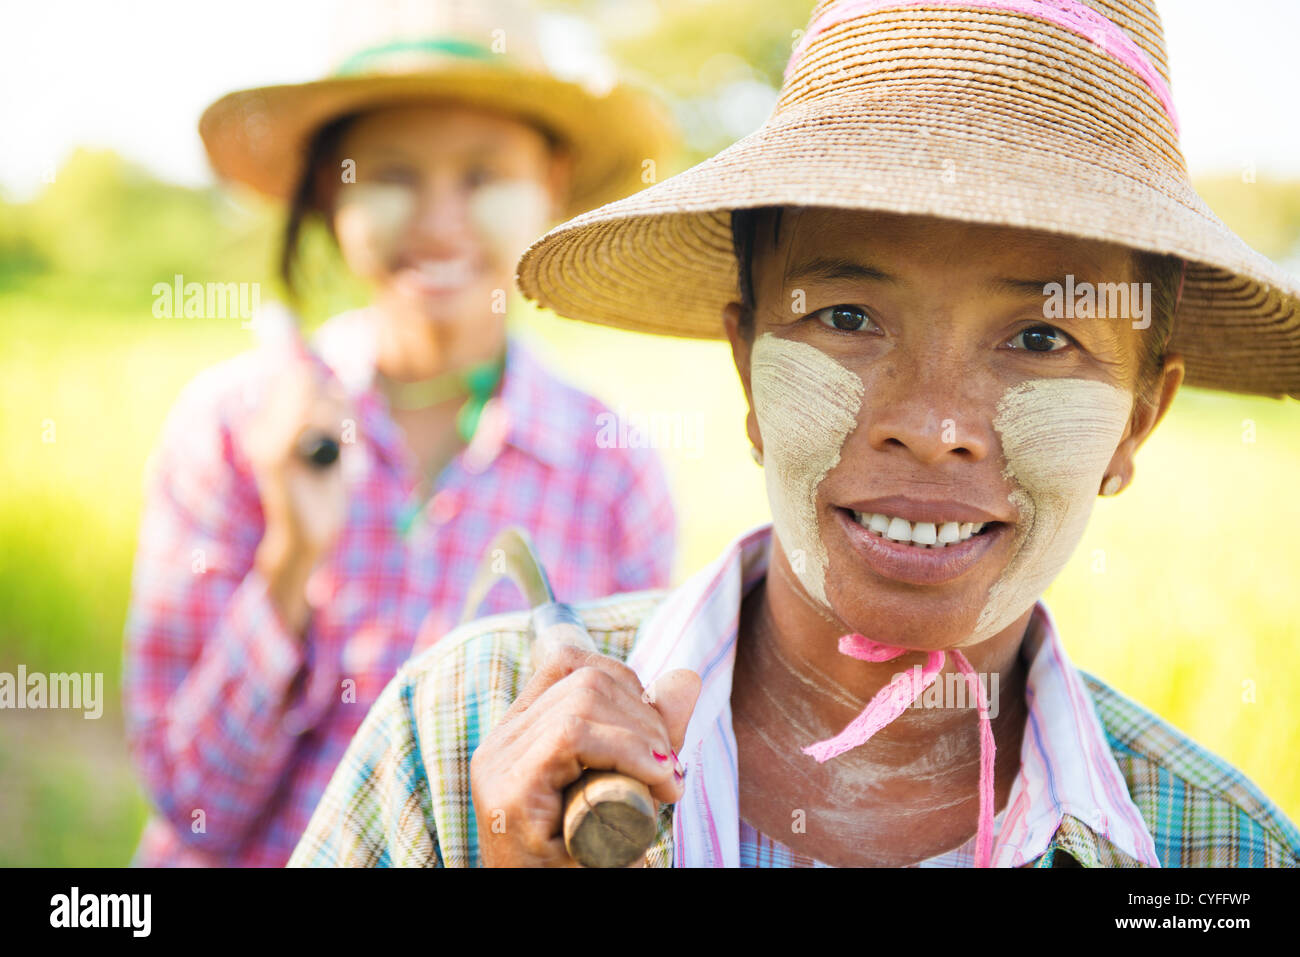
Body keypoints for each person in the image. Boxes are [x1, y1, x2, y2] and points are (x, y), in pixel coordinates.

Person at [290, 0, 1300, 867]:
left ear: (1137, 420)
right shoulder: (461, 736)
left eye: (1040, 337)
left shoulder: (1214, 847)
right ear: (745, 367)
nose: (931, 426)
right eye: (848, 319)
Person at [123, 0, 678, 867]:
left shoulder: (610, 469)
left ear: (552, 183)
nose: (440, 219)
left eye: (484, 174)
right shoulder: (231, 430)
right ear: (326, 190)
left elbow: (632, 793)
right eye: (390, 173)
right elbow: (194, 800)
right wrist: (290, 560)